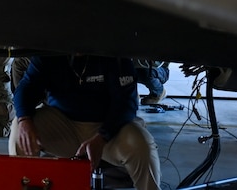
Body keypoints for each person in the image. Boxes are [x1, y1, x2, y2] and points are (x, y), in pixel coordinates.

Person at [11, 54, 161, 190]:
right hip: (63, 124)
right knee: (19, 128)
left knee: (142, 146)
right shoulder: (52, 52)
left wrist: (102, 137)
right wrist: (24, 119)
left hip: (108, 129)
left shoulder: (113, 53)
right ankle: (23, 185)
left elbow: (126, 104)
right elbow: (26, 88)